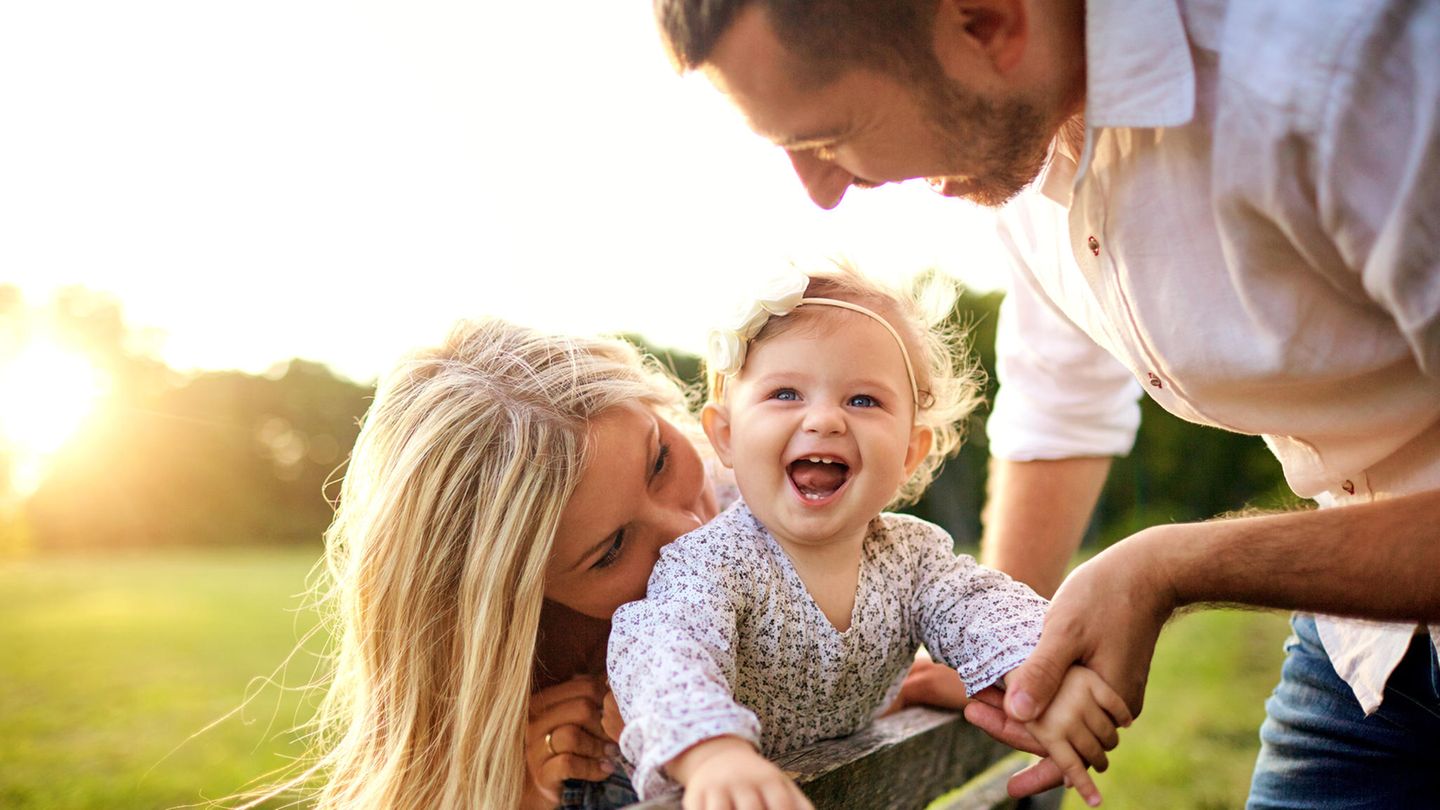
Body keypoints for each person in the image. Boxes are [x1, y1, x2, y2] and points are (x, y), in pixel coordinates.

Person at [650, 0, 1440, 805]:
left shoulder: (1358, 79)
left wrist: (1172, 563)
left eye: (827, 134)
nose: (820, 192)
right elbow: (1057, 403)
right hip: (1363, 648)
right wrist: (1010, 665)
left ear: (990, 23)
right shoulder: (1016, 154)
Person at [243, 317, 972, 810]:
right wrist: (530, 791)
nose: (688, 524)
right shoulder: (525, 699)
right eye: (611, 549)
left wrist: (871, 689)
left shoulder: (767, 504)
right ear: (518, 609)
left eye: (660, 459)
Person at [608, 266, 1131, 808]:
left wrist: (1036, 671)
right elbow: (664, 656)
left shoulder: (913, 558)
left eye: (863, 401)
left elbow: (983, 607)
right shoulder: (710, 564)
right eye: (786, 393)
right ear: (727, 437)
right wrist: (713, 753)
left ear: (909, 452)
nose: (825, 419)